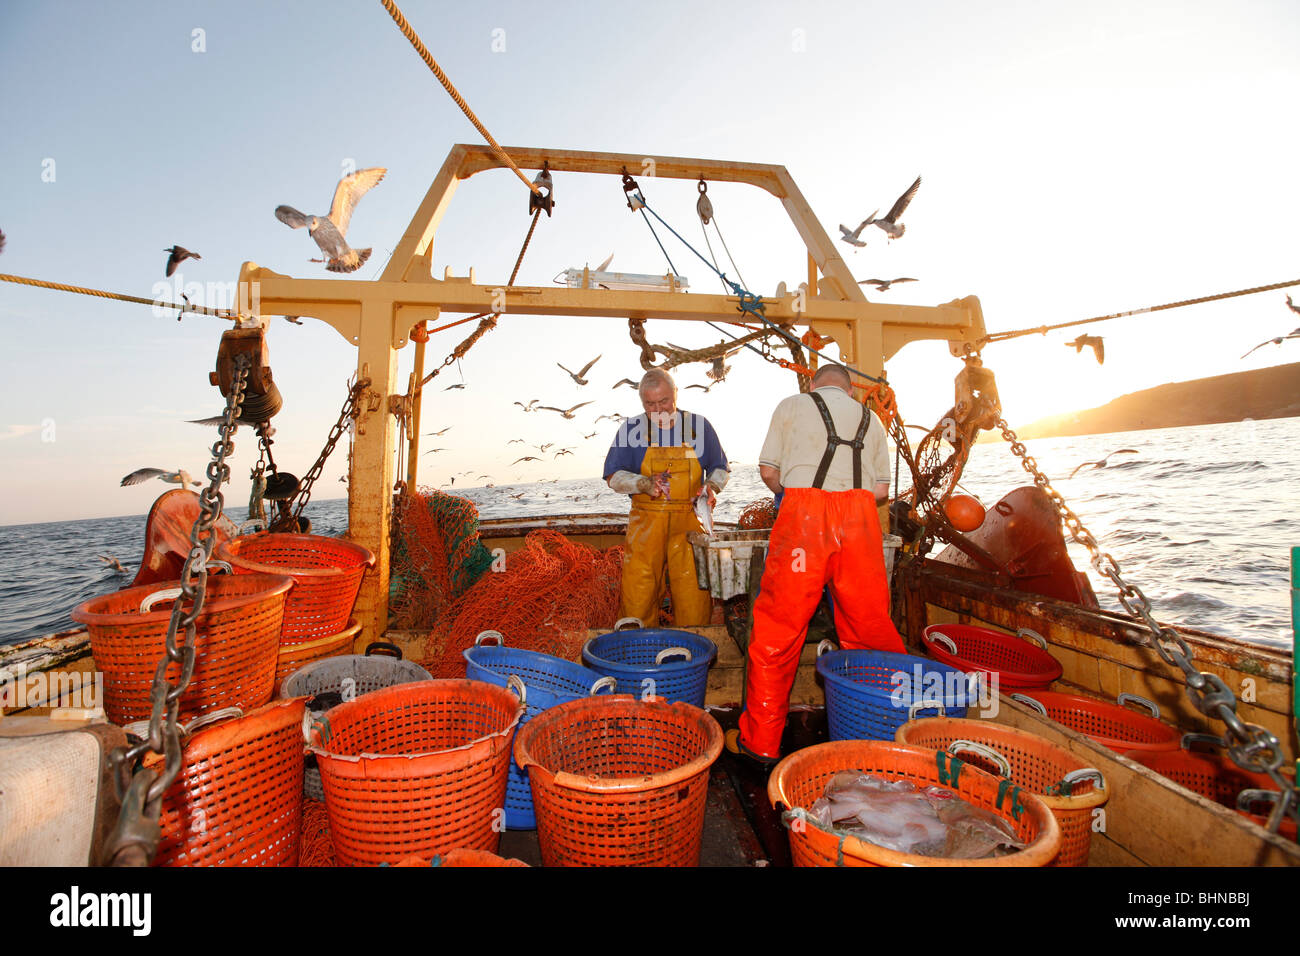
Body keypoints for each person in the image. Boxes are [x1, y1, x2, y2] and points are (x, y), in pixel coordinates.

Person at [727, 363, 904, 765]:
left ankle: (761, 743)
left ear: (813, 383)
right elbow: (879, 489)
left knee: (779, 630)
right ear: (849, 390)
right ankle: (885, 731)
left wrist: (789, 494)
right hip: (859, 522)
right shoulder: (872, 419)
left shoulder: (792, 405)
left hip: (804, 519)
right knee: (869, 627)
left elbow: (770, 471)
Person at [603, 368, 730, 628]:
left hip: (690, 523)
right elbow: (613, 476)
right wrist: (643, 483)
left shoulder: (700, 426)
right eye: (650, 404)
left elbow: (720, 467)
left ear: (675, 395)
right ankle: (636, 654)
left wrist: (711, 487)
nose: (658, 409)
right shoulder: (630, 429)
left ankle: (692, 650)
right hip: (646, 525)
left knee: (694, 592)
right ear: (642, 402)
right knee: (639, 593)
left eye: (664, 401)